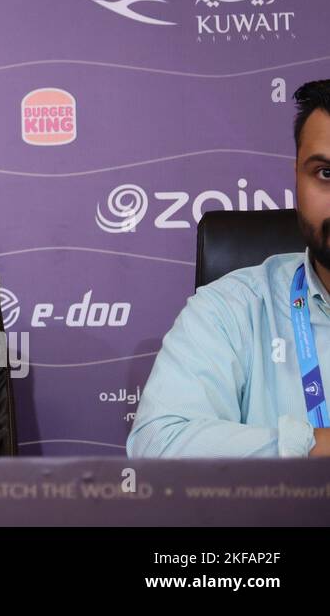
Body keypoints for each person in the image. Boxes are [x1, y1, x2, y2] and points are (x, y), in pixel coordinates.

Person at [128, 79, 330, 458]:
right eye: (326, 174)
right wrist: (311, 447)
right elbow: (157, 445)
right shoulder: (231, 308)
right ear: (296, 177)